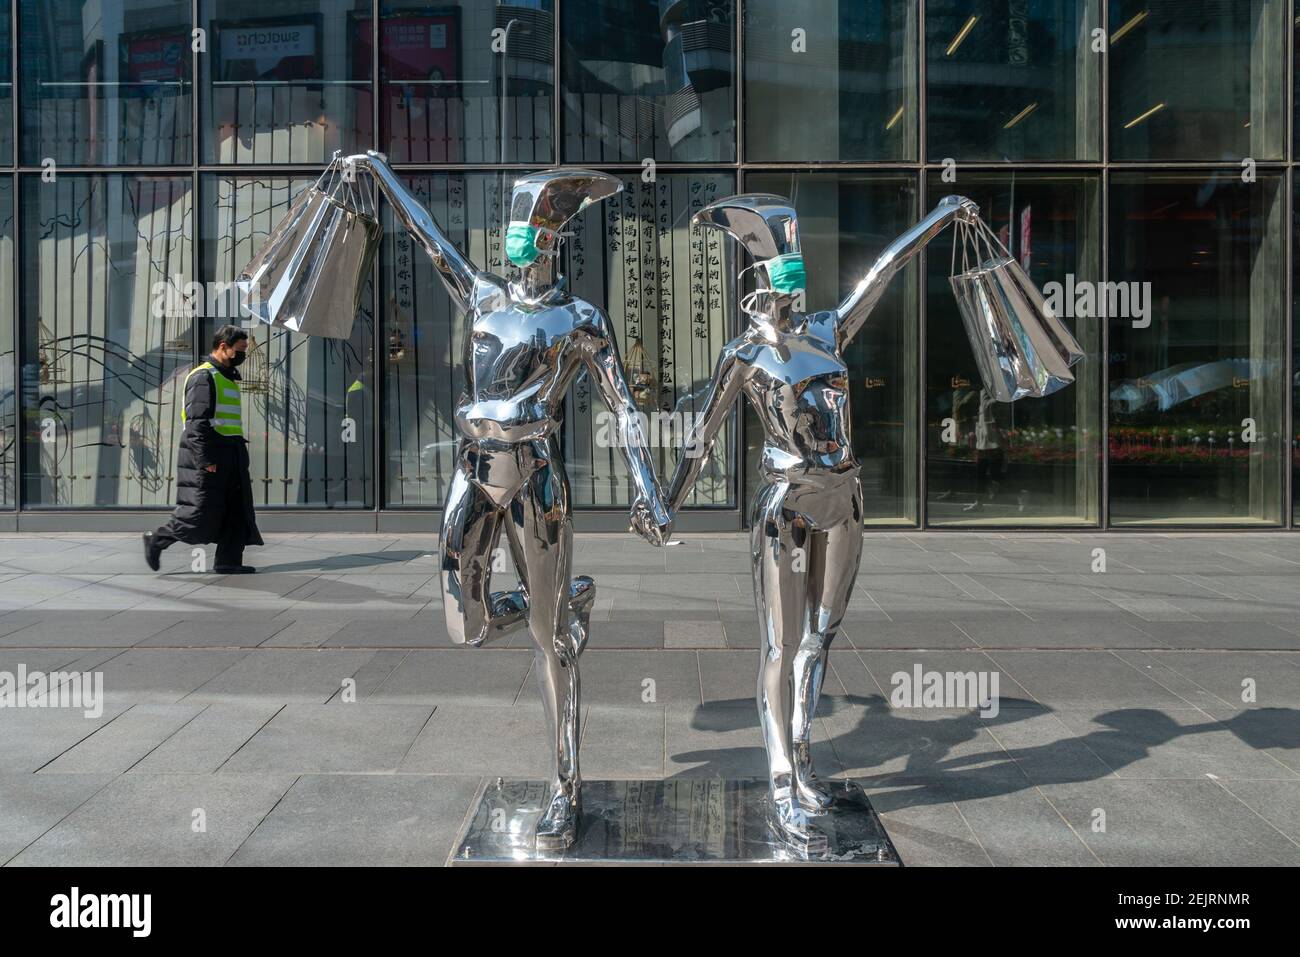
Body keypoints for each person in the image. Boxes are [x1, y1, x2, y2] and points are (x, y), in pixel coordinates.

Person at [143, 325, 263, 574]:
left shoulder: (227, 377)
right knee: (198, 513)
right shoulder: (203, 377)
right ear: (223, 347)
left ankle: (228, 561)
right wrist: (205, 459)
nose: (241, 356)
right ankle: (156, 539)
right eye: (238, 351)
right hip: (210, 455)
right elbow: (196, 425)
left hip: (232, 454)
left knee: (237, 511)